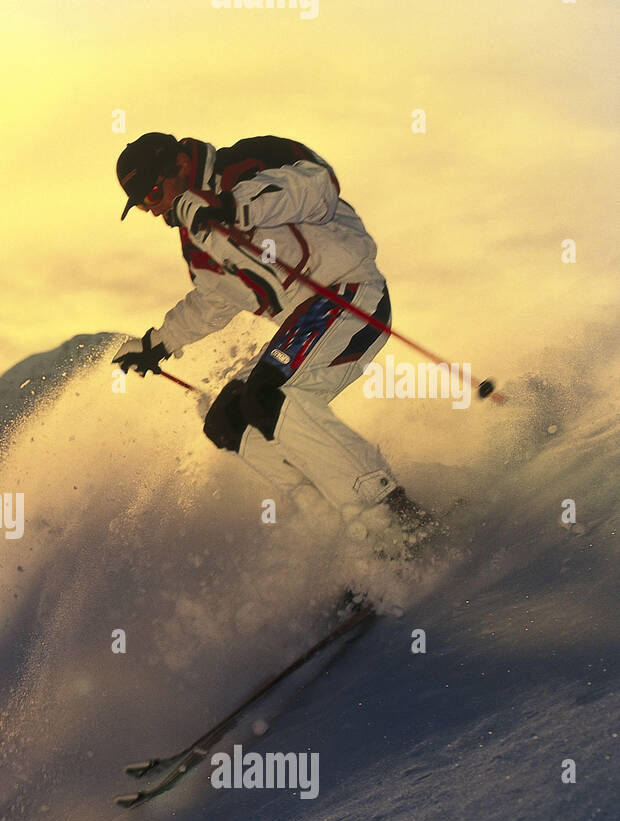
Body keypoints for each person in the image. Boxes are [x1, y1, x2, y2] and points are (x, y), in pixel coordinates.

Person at [111, 132, 436, 550]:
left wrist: (232, 206)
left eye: (153, 194)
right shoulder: (197, 237)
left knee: (269, 393)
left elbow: (317, 185)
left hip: (349, 293)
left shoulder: (245, 165)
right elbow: (213, 300)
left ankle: (393, 515)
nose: (153, 210)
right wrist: (158, 344)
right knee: (230, 416)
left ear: (178, 165)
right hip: (303, 324)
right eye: (141, 205)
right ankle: (346, 540)